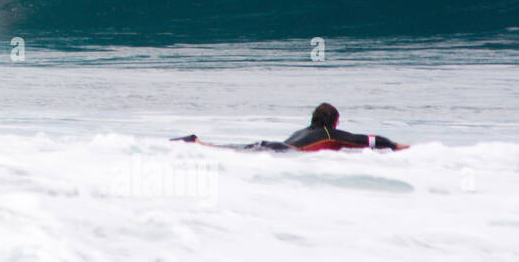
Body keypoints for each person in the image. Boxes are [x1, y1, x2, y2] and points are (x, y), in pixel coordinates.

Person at [171, 103, 408, 151]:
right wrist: (394, 145)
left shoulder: (303, 131)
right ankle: (197, 143)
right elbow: (366, 140)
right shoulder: (328, 133)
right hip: (281, 152)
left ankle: (196, 142)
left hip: (273, 146)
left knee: (225, 149)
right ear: (333, 121)